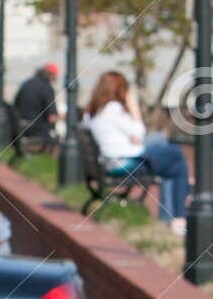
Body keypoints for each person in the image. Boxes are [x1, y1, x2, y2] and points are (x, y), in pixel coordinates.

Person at [83, 70, 191, 236]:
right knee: (176, 157)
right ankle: (178, 216)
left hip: (111, 161)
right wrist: (133, 108)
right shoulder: (113, 109)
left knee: (166, 152)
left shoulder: (93, 111)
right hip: (126, 165)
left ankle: (174, 216)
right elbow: (139, 131)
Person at [12, 61, 60, 148]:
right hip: (38, 129)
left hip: (20, 127)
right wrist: (53, 130)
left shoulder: (25, 84)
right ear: (52, 75)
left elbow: (15, 105)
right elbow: (52, 116)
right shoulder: (47, 88)